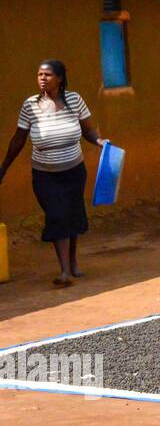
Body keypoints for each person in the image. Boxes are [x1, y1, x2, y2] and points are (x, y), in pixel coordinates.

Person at [0, 60, 105, 286]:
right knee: (57, 215)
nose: (42, 78)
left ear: (59, 78)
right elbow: (19, 139)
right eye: (39, 74)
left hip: (74, 170)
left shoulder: (75, 100)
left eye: (47, 75)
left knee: (73, 214)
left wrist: (99, 141)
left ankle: (73, 263)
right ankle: (65, 271)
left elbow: (87, 129)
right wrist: (4, 167)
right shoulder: (30, 105)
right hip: (45, 174)